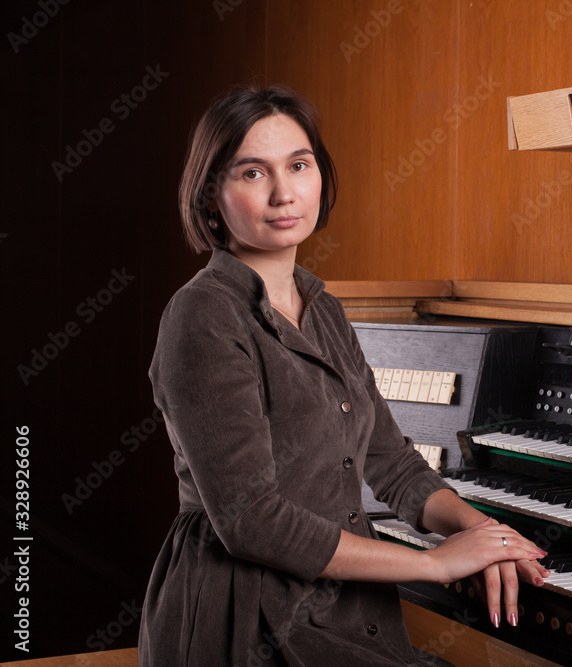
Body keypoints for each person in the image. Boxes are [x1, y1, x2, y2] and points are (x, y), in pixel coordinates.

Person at [139, 85, 549, 666]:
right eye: (253, 173)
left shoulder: (322, 307)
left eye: (298, 166)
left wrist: (487, 534)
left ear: (319, 177)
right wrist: (436, 563)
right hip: (244, 616)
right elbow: (251, 521)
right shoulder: (202, 314)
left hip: (343, 604)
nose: (284, 193)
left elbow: (393, 465)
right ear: (211, 194)